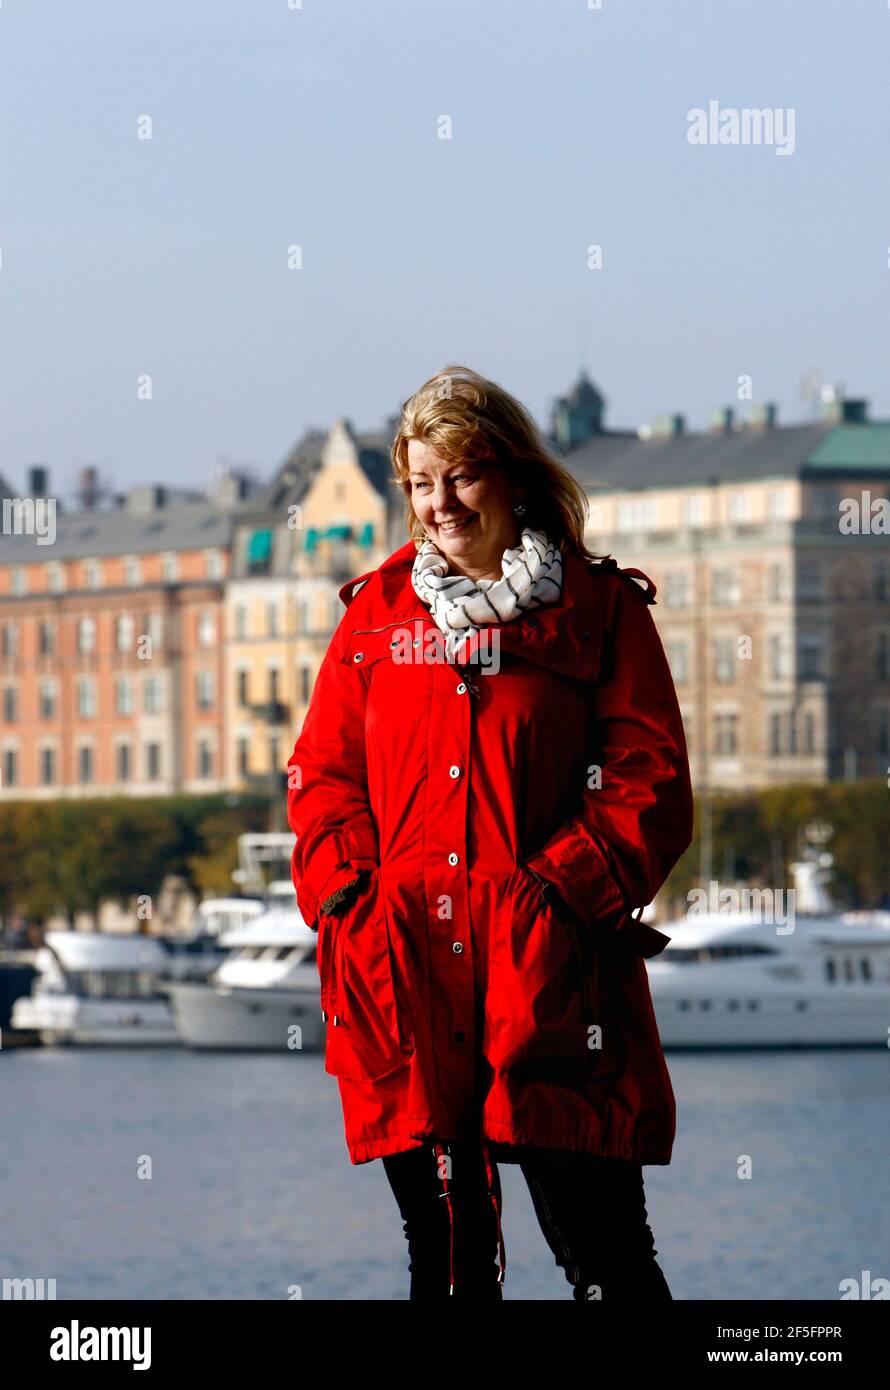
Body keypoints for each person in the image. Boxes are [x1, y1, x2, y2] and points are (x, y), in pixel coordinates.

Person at [286, 364, 694, 1299]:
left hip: (551, 975)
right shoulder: (374, 619)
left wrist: (555, 895)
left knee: (607, 1255)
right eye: (421, 483)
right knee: (448, 1263)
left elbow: (650, 781)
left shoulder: (601, 609)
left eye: (462, 476)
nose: (440, 504)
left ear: (511, 474)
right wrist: (350, 897)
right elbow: (322, 776)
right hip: (406, 972)